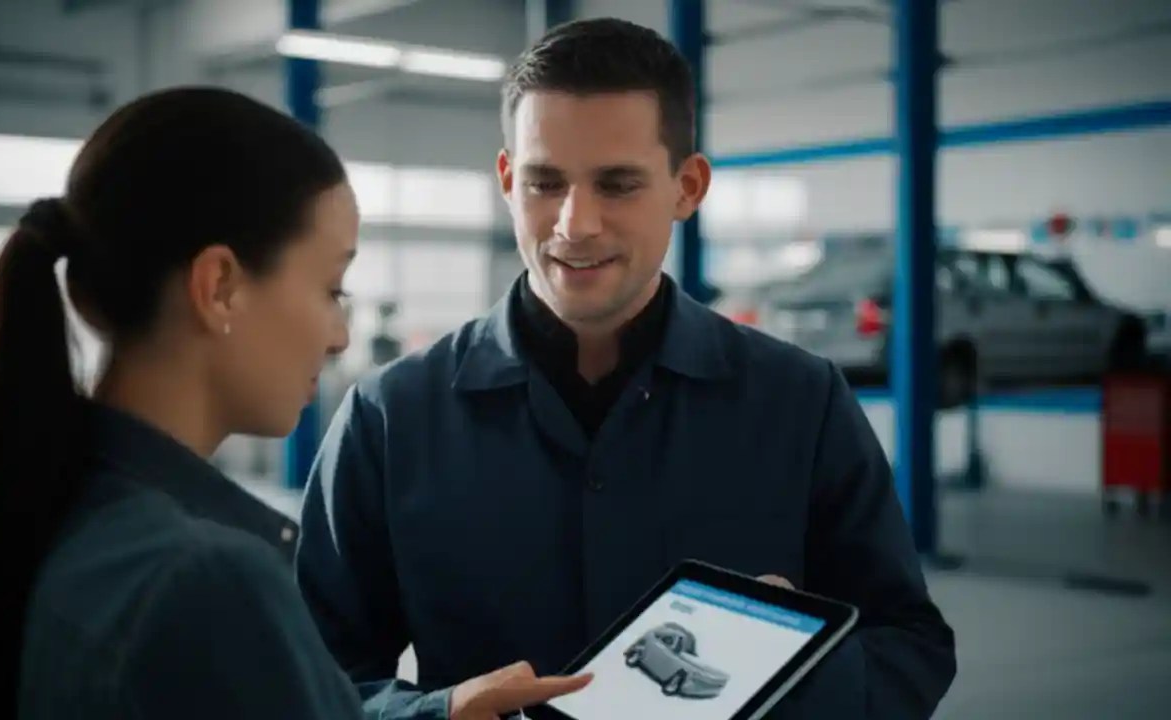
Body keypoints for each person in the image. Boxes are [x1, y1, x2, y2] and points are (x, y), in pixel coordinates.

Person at [298, 17, 957, 720]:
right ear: (506, 179)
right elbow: (306, 682)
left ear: (688, 187)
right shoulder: (392, 417)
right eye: (545, 182)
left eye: (617, 185)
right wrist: (437, 714)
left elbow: (910, 644)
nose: (575, 223)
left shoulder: (800, 402)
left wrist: (790, 681)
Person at [0, 88, 588, 720]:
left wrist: (435, 713)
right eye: (331, 289)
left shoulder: (45, 511)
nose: (340, 333)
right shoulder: (205, 583)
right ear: (220, 286)